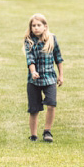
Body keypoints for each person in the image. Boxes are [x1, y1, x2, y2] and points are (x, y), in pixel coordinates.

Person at [24, 13, 64, 142]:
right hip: (34, 80)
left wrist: (61, 75)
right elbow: (30, 59)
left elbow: (58, 58)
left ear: (45, 26)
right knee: (34, 109)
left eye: (38, 25)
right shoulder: (29, 41)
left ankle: (47, 132)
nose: (36, 28)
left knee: (51, 104)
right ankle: (33, 135)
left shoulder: (52, 39)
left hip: (49, 78)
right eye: (33, 26)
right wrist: (33, 72)